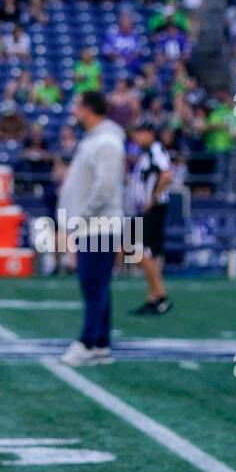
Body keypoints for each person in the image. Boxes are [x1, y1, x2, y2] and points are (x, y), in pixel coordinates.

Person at [57, 90, 126, 365]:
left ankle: (86, 342)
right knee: (97, 285)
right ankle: (100, 343)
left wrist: (80, 216)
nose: (75, 111)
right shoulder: (97, 138)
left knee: (93, 285)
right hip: (94, 225)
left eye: (77, 105)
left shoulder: (107, 140)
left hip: (99, 225)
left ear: (88, 109)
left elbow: (105, 186)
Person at [126, 120, 173, 315]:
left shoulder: (155, 150)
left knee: (140, 251)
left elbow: (167, 175)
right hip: (147, 209)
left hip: (153, 209)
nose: (136, 137)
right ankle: (154, 297)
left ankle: (160, 295)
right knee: (146, 253)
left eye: (140, 132)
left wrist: (152, 199)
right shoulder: (147, 153)